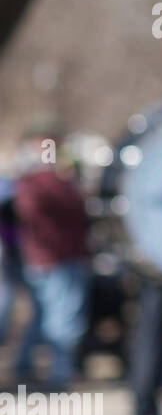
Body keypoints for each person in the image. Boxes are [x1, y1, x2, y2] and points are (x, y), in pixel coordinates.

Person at [10, 119, 91, 393]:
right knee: (62, 320)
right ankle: (59, 375)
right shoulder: (40, 181)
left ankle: (23, 366)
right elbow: (33, 212)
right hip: (55, 259)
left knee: (43, 316)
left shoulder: (40, 179)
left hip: (49, 258)